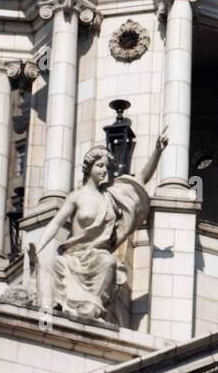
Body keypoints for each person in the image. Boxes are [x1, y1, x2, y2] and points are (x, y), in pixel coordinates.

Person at [30, 131, 168, 324]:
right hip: (73, 258)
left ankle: (92, 311)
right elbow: (56, 223)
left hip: (97, 257)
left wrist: (157, 151)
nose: (105, 170)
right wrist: (41, 246)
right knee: (49, 264)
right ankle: (45, 320)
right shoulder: (76, 196)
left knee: (109, 262)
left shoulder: (111, 196)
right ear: (89, 168)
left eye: (107, 167)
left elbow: (142, 179)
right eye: (100, 166)